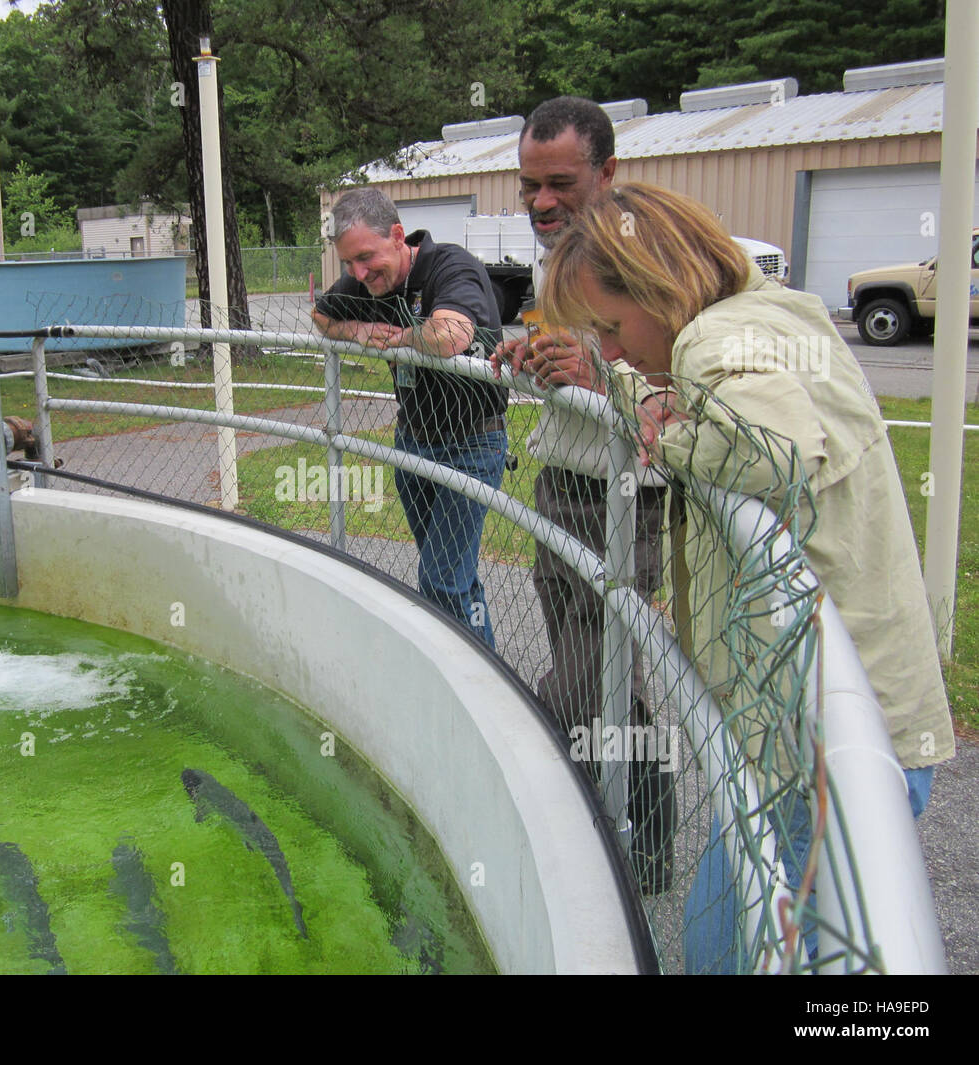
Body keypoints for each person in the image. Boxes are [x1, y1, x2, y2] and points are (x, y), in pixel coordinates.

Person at [540, 180, 957, 971]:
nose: (615, 349)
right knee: (731, 931)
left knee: (738, 948)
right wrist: (641, 397)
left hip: (826, 737)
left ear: (658, 286)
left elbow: (773, 448)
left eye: (612, 326)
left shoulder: (715, 341)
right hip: (830, 720)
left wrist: (668, 440)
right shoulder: (765, 316)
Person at [491, 97, 675, 894]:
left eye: (558, 182)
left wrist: (597, 373)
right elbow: (559, 331)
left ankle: (607, 838)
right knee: (603, 685)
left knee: (579, 689)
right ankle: (639, 844)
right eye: (528, 184)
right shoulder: (560, 253)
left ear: (607, 172)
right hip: (561, 484)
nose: (540, 202)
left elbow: (672, 379)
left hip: (625, 496)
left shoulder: (646, 255)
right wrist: (524, 342)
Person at [312, 186, 507, 649]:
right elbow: (321, 315)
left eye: (365, 258)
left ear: (398, 235)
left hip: (471, 446)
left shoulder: (450, 266)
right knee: (452, 574)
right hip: (413, 442)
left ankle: (471, 679)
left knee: (441, 577)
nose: (358, 274)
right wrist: (356, 328)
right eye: (347, 264)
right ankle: (484, 665)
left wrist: (397, 339)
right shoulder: (367, 281)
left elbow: (449, 337)